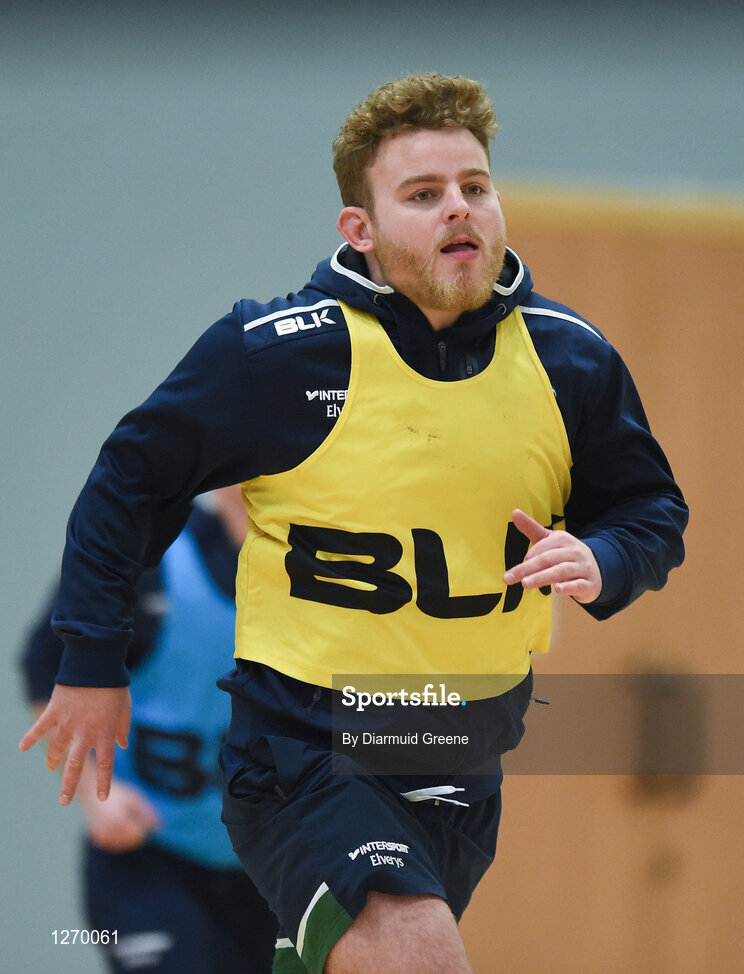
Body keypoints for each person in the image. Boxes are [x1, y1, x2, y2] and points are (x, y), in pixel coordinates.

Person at [20, 73, 688, 974]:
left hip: (462, 748)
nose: (459, 208)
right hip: (304, 747)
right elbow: (128, 480)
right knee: (421, 960)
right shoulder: (281, 354)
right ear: (360, 232)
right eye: (423, 194)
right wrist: (92, 659)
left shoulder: (572, 359)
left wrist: (607, 557)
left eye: (475, 187)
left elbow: (654, 509)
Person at [20, 488, 278, 973]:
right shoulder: (144, 557)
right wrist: (97, 795)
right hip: (151, 855)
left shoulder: (345, 579)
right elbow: (44, 666)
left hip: (278, 865)